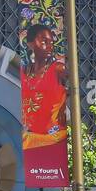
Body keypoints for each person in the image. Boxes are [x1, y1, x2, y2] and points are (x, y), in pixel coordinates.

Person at [19, 22, 68, 151]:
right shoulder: (23, 72)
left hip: (51, 138)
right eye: (44, 41)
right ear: (30, 44)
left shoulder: (58, 69)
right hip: (27, 137)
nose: (49, 47)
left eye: (51, 43)